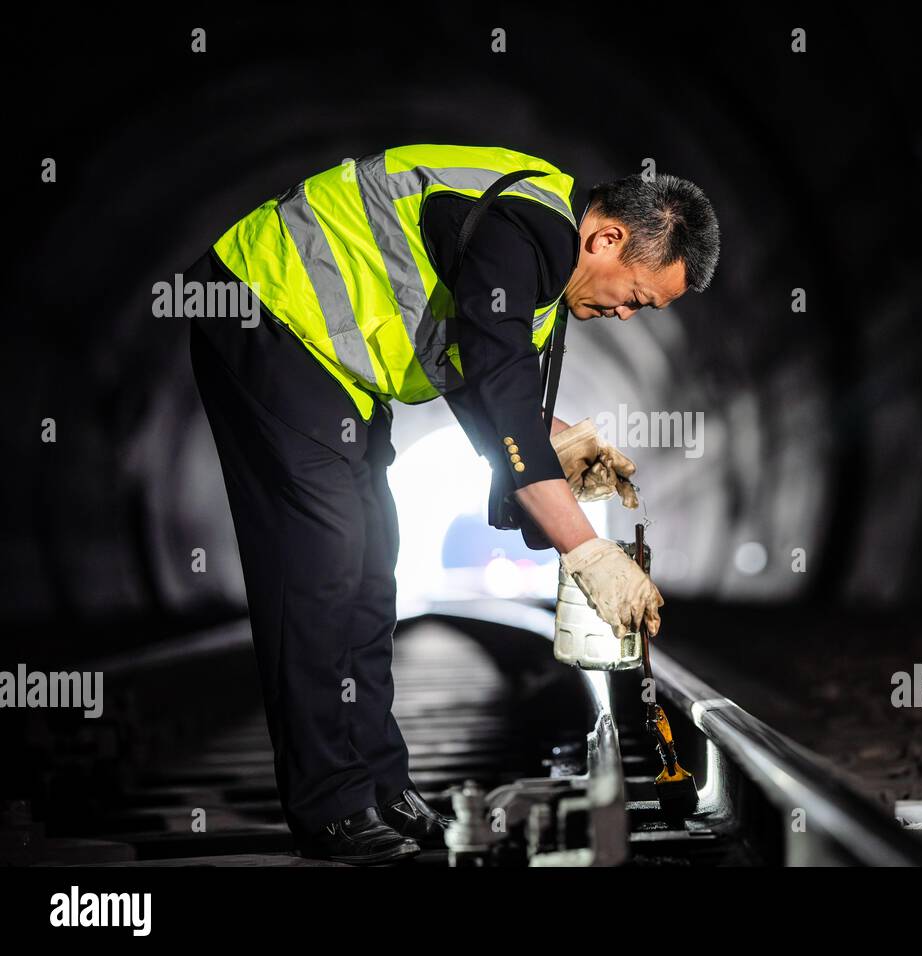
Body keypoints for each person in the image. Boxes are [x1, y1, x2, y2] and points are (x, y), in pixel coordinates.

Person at [185, 144, 720, 863]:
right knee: (321, 566)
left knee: (373, 564)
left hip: (329, 365)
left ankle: (379, 785)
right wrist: (587, 552)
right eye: (636, 296)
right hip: (264, 309)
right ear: (608, 238)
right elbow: (499, 402)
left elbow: (478, 372)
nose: (627, 315)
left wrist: (565, 445)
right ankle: (330, 806)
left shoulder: (542, 262)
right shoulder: (523, 233)